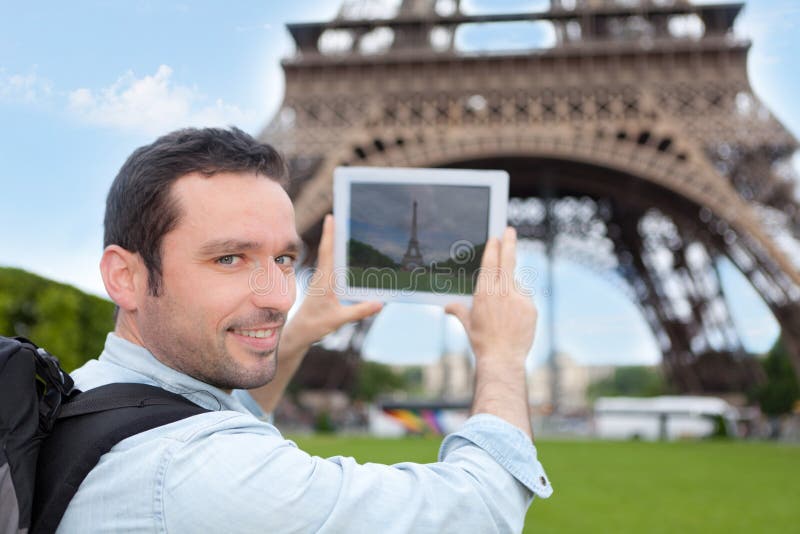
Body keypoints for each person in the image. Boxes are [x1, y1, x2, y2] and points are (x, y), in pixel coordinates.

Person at [60, 127, 552, 532]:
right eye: (229, 258)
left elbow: (208, 415)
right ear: (126, 277)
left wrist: (295, 336)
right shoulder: (197, 472)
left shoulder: (85, 398)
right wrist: (502, 357)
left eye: (284, 258)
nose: (280, 295)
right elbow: (483, 509)